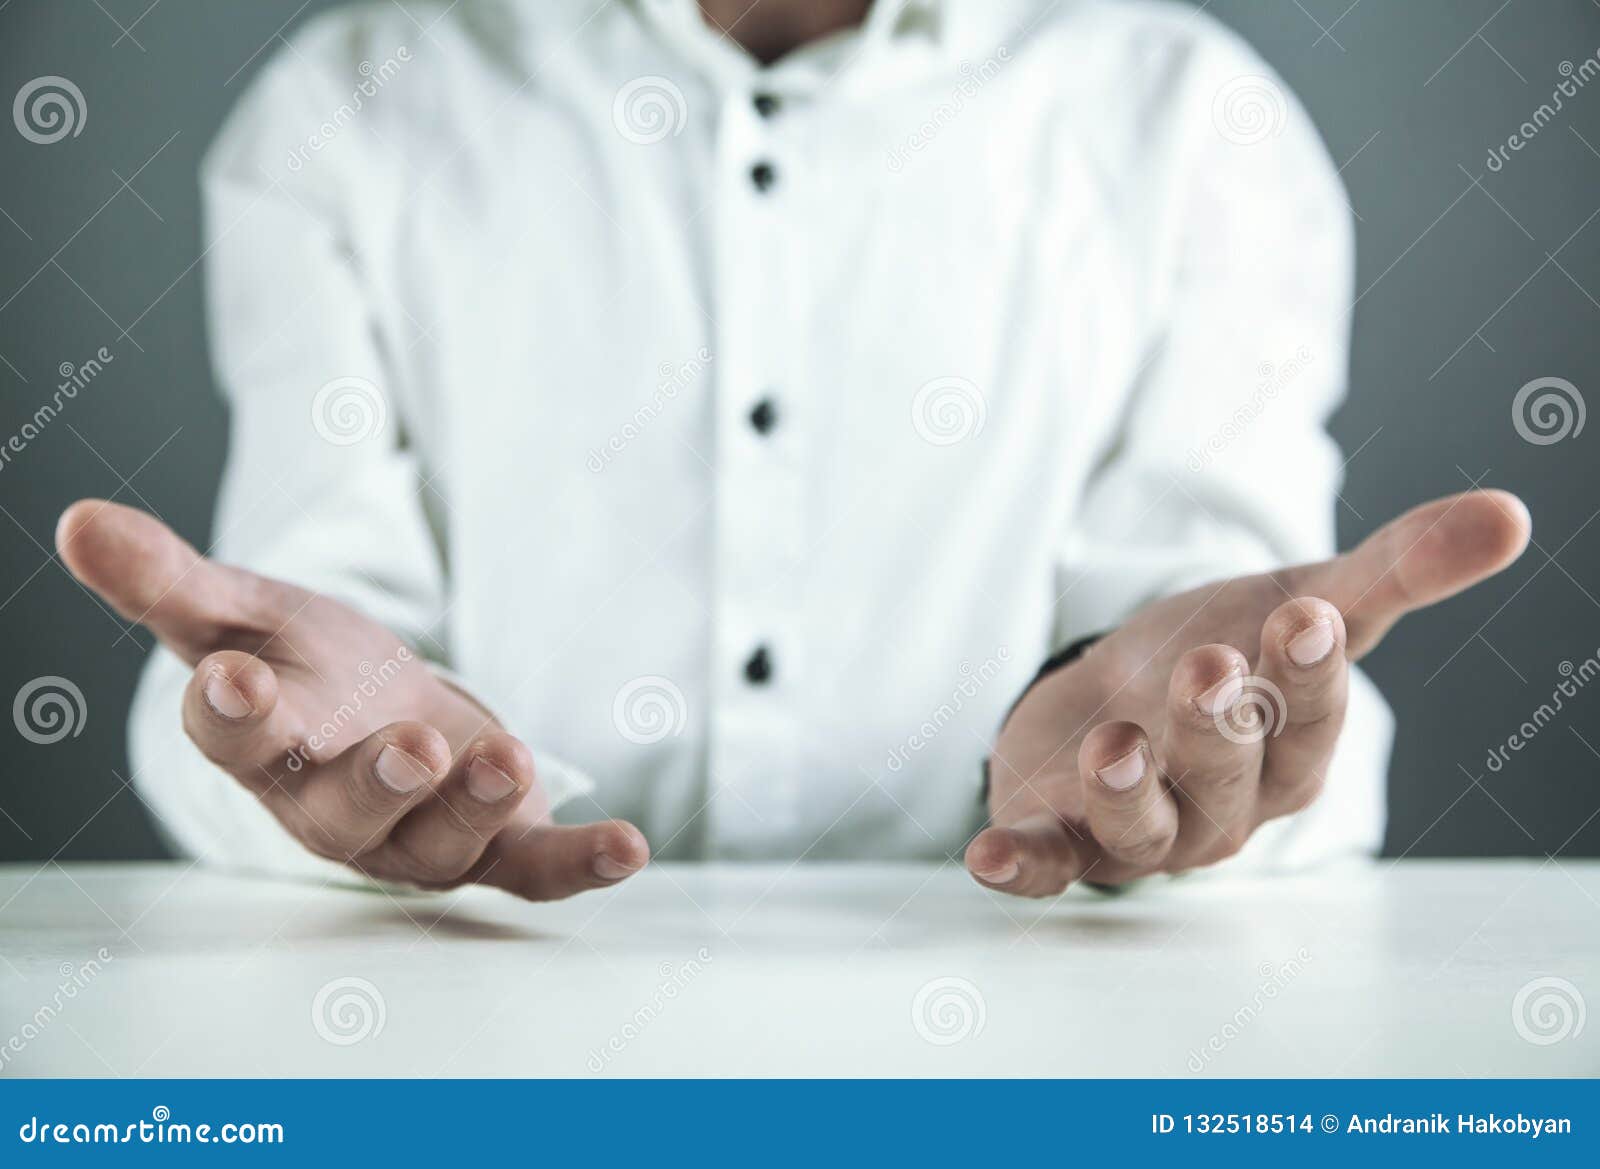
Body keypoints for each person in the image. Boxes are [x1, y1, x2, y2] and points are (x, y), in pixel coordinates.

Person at [57, 0, 1530, 902]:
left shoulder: (1194, 119)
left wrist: (1203, 752)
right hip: (479, 1034)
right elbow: (316, 638)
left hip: (1052, 1046)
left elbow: (1221, 649)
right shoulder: (354, 103)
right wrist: (323, 761)